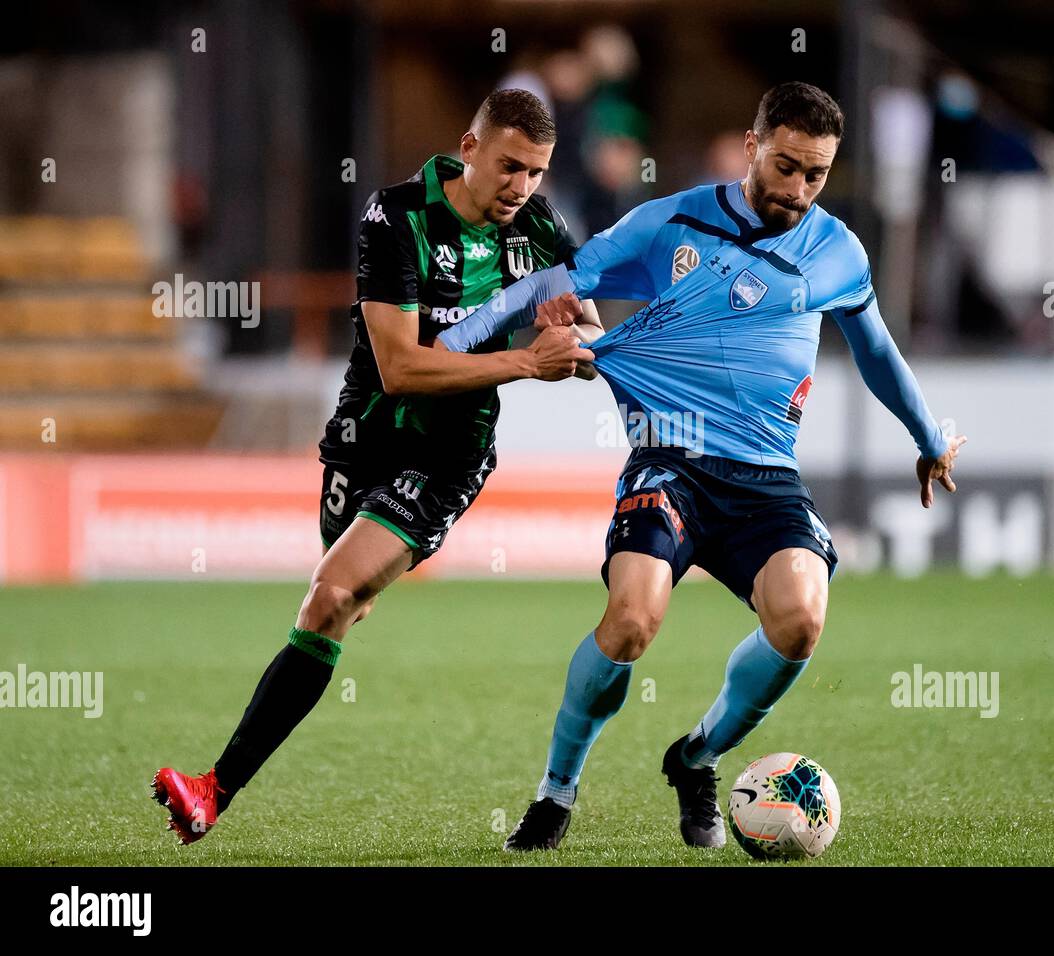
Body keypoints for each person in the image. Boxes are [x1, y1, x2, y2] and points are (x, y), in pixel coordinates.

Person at [438, 81, 966, 851]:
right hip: (670, 460)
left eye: (815, 175)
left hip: (765, 477)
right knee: (630, 622)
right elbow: (554, 284)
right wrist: (447, 349)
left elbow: (876, 349)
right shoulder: (668, 223)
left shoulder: (836, 251)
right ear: (752, 147)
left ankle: (697, 757)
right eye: (784, 166)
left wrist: (926, 436)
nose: (797, 189)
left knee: (801, 618)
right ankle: (557, 791)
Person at [151, 89, 598, 845]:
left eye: (537, 172)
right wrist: (527, 358)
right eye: (510, 167)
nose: (521, 188)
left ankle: (211, 791)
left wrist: (577, 335)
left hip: (448, 456)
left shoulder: (541, 229)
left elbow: (585, 332)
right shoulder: (397, 219)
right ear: (470, 147)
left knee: (328, 597)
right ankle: (350, 599)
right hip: (363, 436)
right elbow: (397, 368)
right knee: (340, 607)